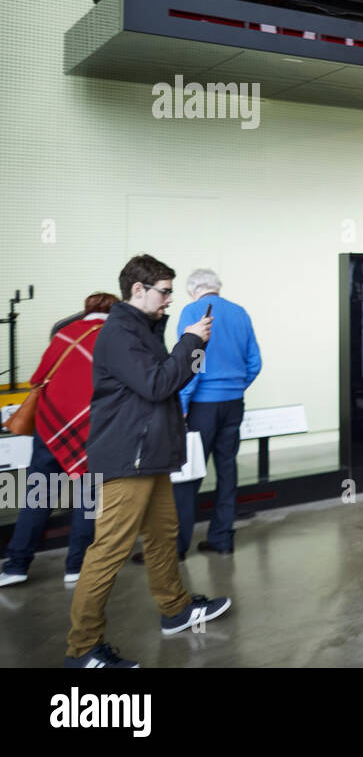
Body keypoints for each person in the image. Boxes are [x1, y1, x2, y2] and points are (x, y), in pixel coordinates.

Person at [65, 254, 232, 669]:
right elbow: (157, 385)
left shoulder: (145, 329)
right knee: (109, 551)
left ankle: (175, 609)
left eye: (171, 292)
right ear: (137, 290)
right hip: (127, 458)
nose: (169, 300)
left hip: (151, 456)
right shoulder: (119, 333)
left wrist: (198, 347)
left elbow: (178, 377)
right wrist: (191, 341)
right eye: (164, 292)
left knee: (163, 535)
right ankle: (82, 649)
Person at [0, 293, 117, 588]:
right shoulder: (116, 338)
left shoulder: (65, 334)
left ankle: (16, 565)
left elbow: (38, 378)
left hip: (51, 427)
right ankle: (76, 567)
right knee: (87, 500)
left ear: (86, 310)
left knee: (37, 497)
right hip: (93, 429)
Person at [172, 268, 261, 557]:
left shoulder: (193, 311)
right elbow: (254, 363)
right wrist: (234, 386)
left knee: (189, 476)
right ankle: (222, 539)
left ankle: (177, 547)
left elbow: (192, 362)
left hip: (201, 405)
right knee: (227, 469)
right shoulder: (240, 313)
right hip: (234, 403)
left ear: (192, 290)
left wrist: (182, 406)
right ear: (217, 287)